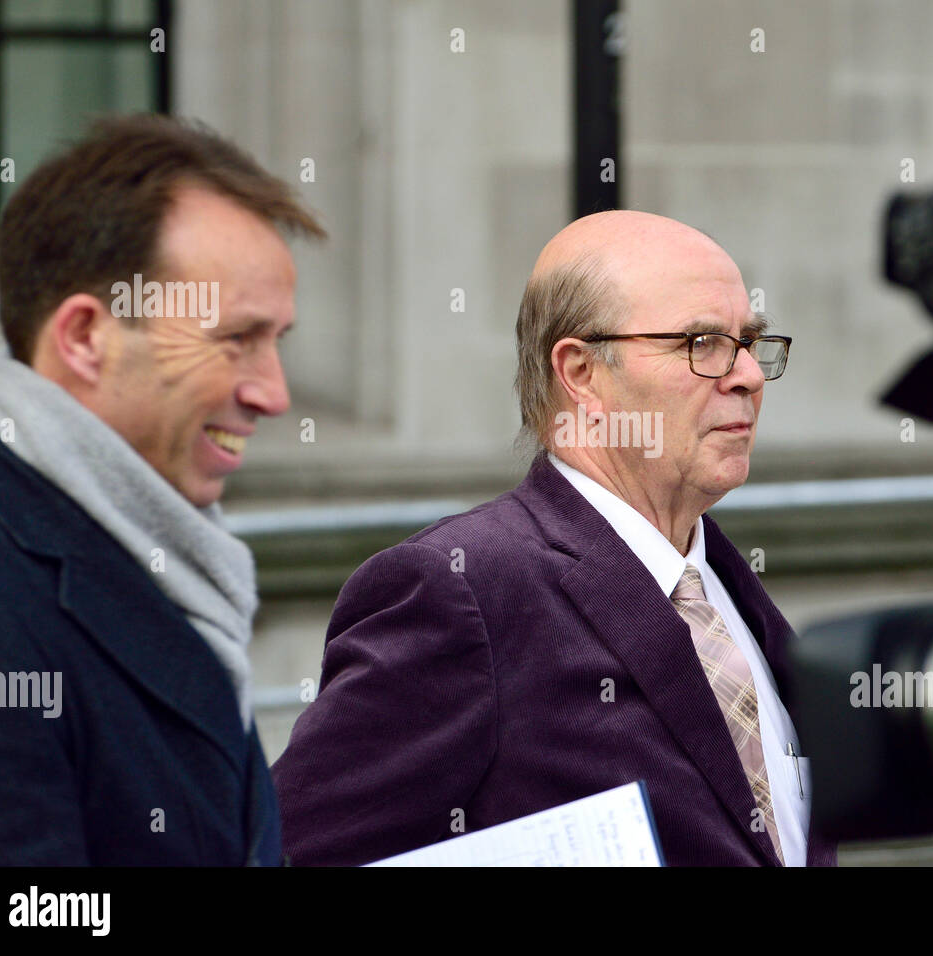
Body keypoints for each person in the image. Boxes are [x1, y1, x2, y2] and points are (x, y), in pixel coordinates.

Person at [273, 210, 835, 866]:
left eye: (750, 341)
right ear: (580, 372)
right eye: (702, 344)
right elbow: (293, 850)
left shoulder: (726, 591)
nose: (748, 375)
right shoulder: (462, 592)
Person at [0, 114, 325, 865]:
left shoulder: (154, 540)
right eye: (236, 339)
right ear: (86, 337)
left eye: (276, 342)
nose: (274, 394)